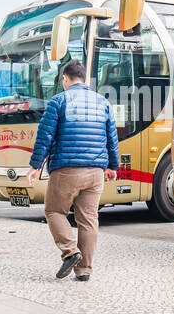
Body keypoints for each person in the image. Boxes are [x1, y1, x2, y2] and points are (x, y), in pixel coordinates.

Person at [25, 58, 119, 282]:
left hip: (66, 169)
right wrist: (112, 166)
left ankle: (70, 251)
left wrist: (35, 165)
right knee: (88, 219)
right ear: (85, 80)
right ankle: (84, 270)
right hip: (96, 171)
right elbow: (112, 138)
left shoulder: (58, 101)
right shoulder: (102, 103)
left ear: (65, 80)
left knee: (54, 211)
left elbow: (45, 136)